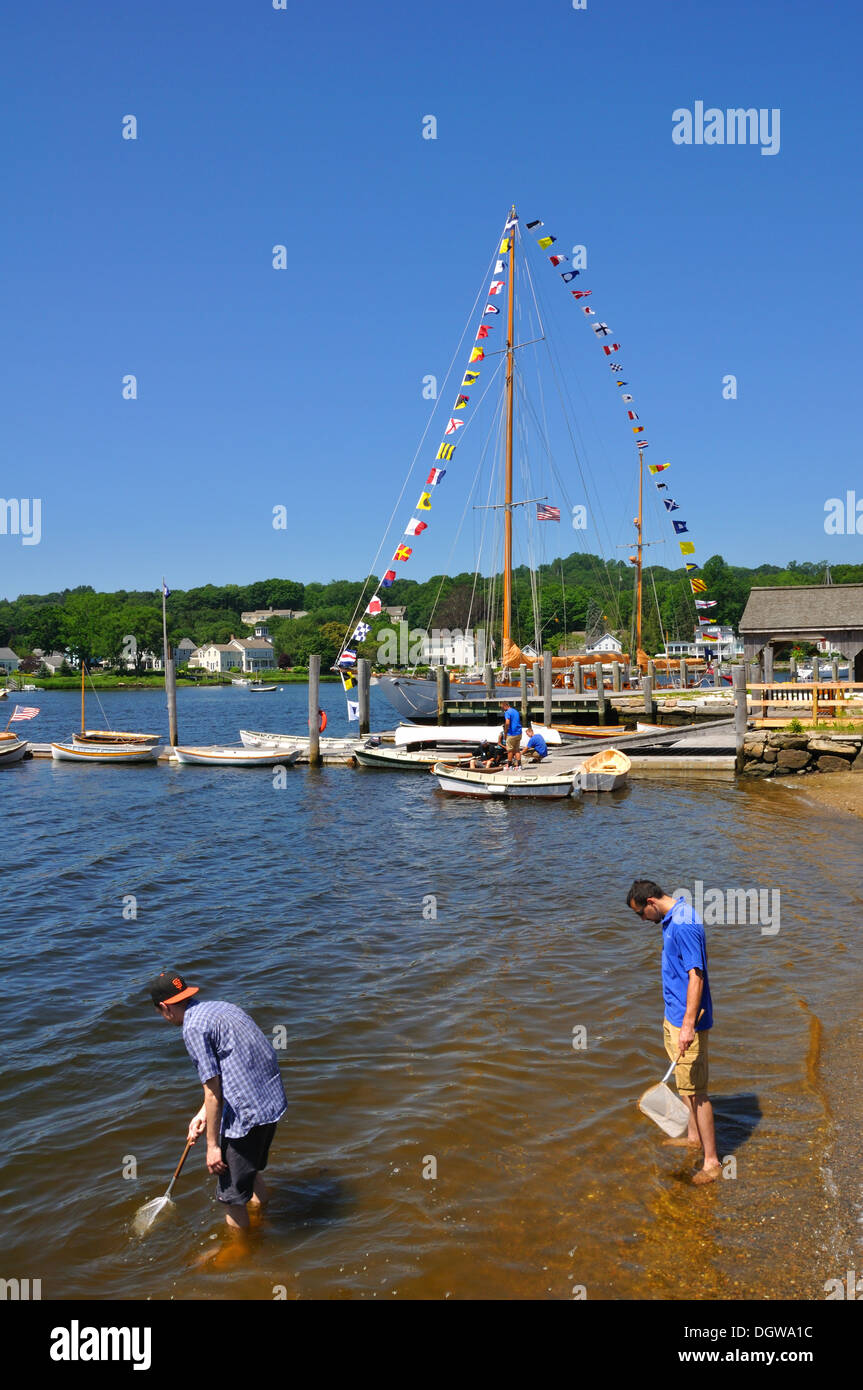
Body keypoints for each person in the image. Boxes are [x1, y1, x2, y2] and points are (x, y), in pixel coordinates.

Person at [148, 971, 287, 1239]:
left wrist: (212, 1147)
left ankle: (238, 1253)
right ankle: (262, 1220)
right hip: (271, 1104)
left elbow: (213, 1092)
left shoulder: (192, 1028)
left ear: (164, 1007)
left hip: (247, 1117)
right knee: (251, 1170)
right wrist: (202, 1114)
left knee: (231, 1197)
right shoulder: (221, 1008)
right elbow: (230, 1069)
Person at [625, 880, 720, 1185]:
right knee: (684, 1085)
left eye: (641, 914)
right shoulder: (671, 919)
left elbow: (697, 977)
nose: (642, 921)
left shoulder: (683, 924)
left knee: (697, 1092)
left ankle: (712, 1162)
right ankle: (693, 1138)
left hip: (687, 1020)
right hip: (674, 1016)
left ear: (651, 902)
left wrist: (688, 1025)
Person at [500, 700, 522, 768]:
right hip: (519, 732)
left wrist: (505, 732)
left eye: (502, 707)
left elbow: (507, 723)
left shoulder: (507, 712)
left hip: (511, 733)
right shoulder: (515, 711)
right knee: (517, 749)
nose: (502, 709)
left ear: (505, 706)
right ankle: (519, 765)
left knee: (509, 750)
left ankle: (509, 765)